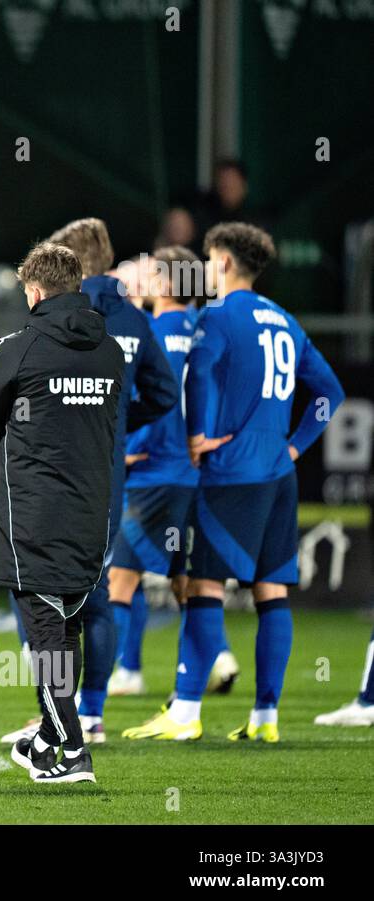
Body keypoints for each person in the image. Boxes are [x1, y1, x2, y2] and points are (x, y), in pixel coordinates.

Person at [123, 222, 344, 743]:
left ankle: (186, 712)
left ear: (221, 262)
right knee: (272, 593)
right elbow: (328, 393)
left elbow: (199, 373)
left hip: (229, 475)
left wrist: (197, 435)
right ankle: (266, 717)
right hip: (279, 474)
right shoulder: (286, 320)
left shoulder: (218, 316)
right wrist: (293, 446)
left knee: (202, 586)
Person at [0, 242, 124, 784]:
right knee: (65, 630)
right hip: (92, 514)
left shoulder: (21, 345)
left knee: (47, 638)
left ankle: (73, 751)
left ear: (33, 292)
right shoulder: (110, 350)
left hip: (33, 515)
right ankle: (48, 738)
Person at [36, 217, 177, 744]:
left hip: (56, 473)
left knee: (45, 598)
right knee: (95, 597)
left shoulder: (65, 316)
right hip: (109, 474)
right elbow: (164, 394)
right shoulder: (135, 319)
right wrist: (117, 423)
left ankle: (58, 717)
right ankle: (89, 712)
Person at [106, 246, 237, 698]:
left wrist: (126, 449)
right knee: (183, 576)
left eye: (150, 274)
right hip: (195, 471)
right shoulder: (205, 329)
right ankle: (218, 655)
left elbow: (152, 398)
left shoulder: (147, 330)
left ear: (164, 284)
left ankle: (124, 672)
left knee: (120, 577)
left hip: (150, 468)